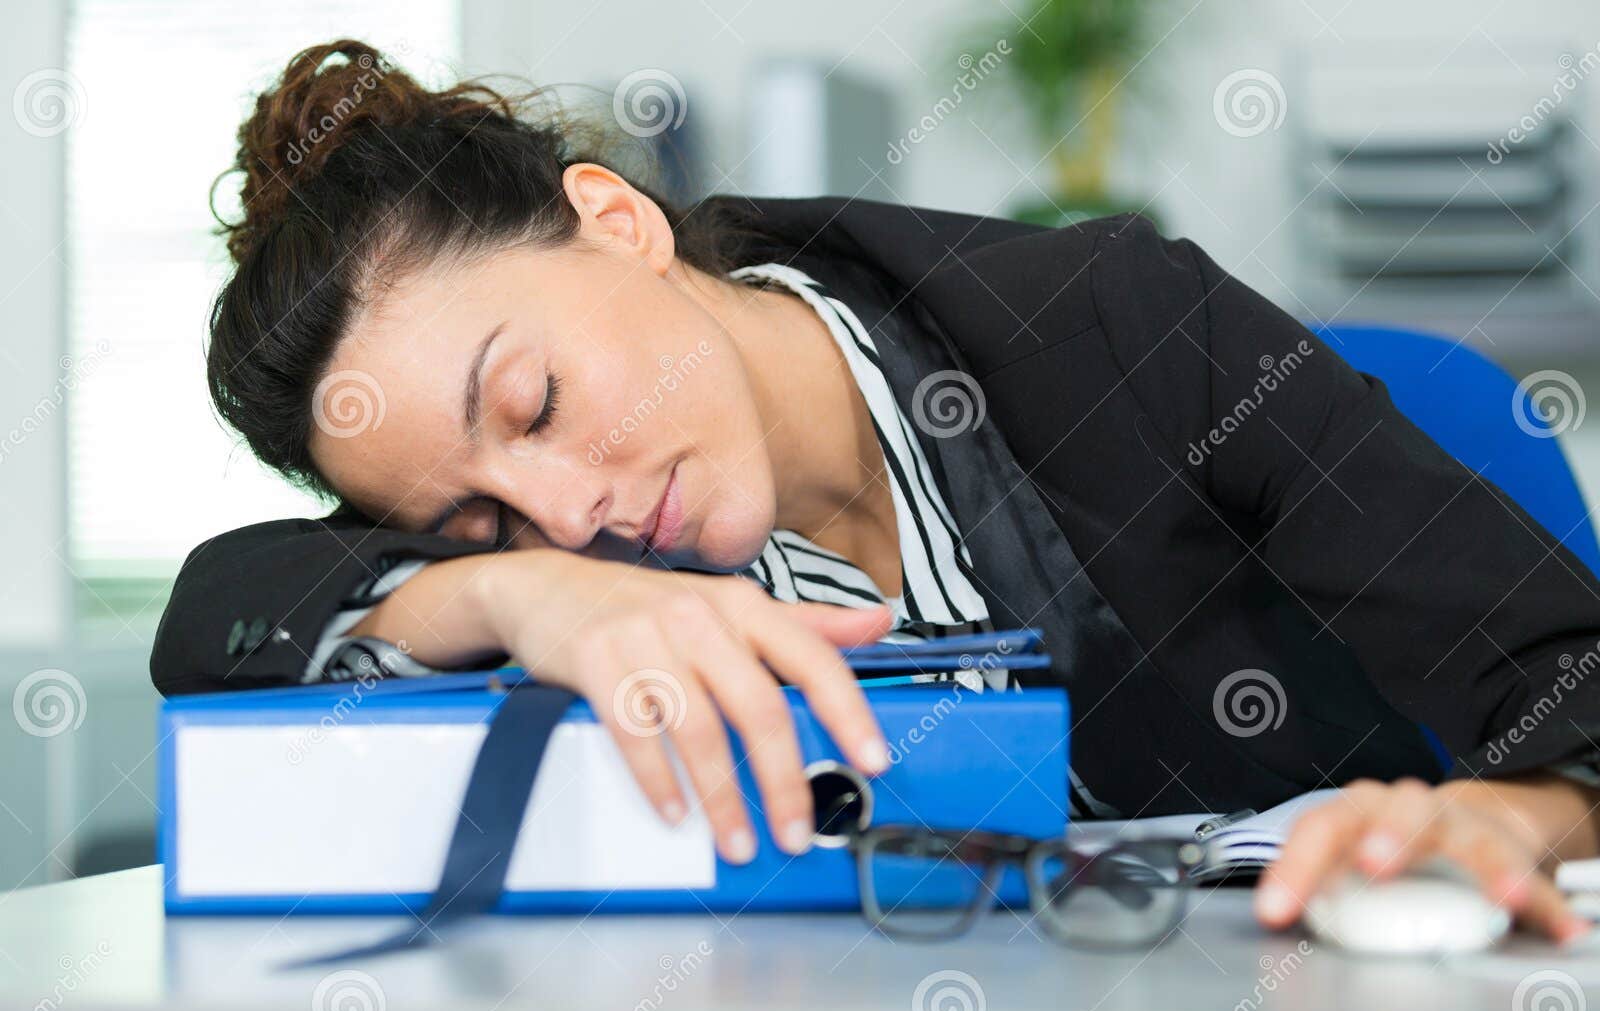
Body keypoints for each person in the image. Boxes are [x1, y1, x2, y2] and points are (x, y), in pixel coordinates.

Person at [154, 40, 1600, 942]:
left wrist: (1519, 820)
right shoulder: (562, 556)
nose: (565, 509)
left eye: (532, 404)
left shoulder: (1118, 326)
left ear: (614, 221)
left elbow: (1571, 677)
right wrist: (508, 589)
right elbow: (224, 613)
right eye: (481, 515)